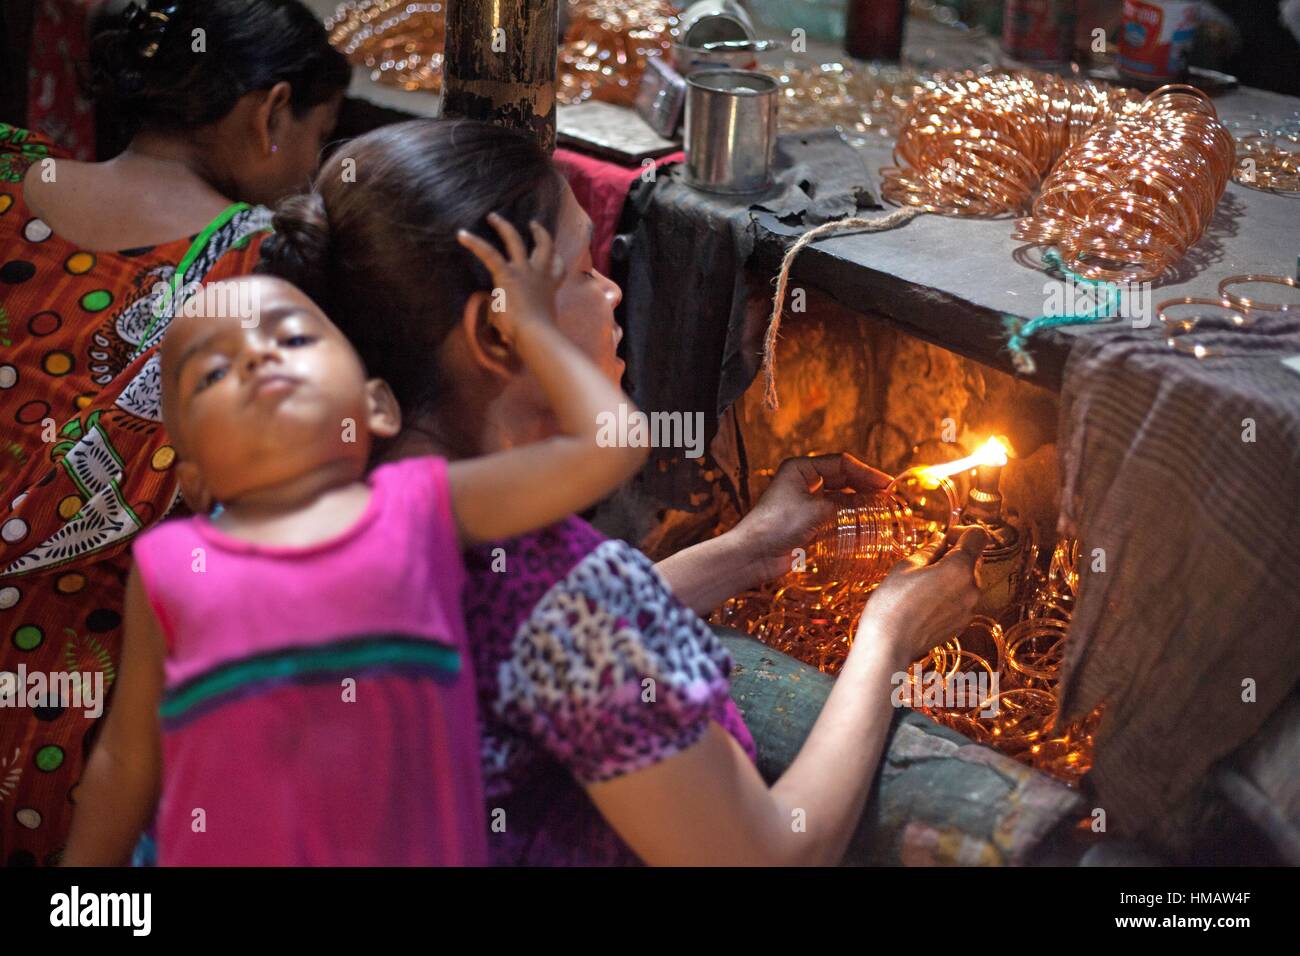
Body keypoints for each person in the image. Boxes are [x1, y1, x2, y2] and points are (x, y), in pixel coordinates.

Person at [262, 118, 988, 866]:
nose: (611, 291)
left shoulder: (310, 496)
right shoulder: (570, 594)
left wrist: (747, 551)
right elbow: (769, 854)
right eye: (579, 271)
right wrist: (887, 638)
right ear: (498, 331)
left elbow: (538, 641)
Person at [62, 257, 647, 865]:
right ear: (195, 480)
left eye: (291, 337)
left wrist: (529, 324)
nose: (258, 358)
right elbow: (125, 761)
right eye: (211, 374)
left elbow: (611, 445)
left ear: (377, 407)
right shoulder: (172, 565)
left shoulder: (422, 507)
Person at [0, 0, 349, 866]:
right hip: (67, 741)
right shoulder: (260, 271)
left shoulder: (9, 181)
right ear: (270, 113)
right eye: (318, 134)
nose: (310, 164)